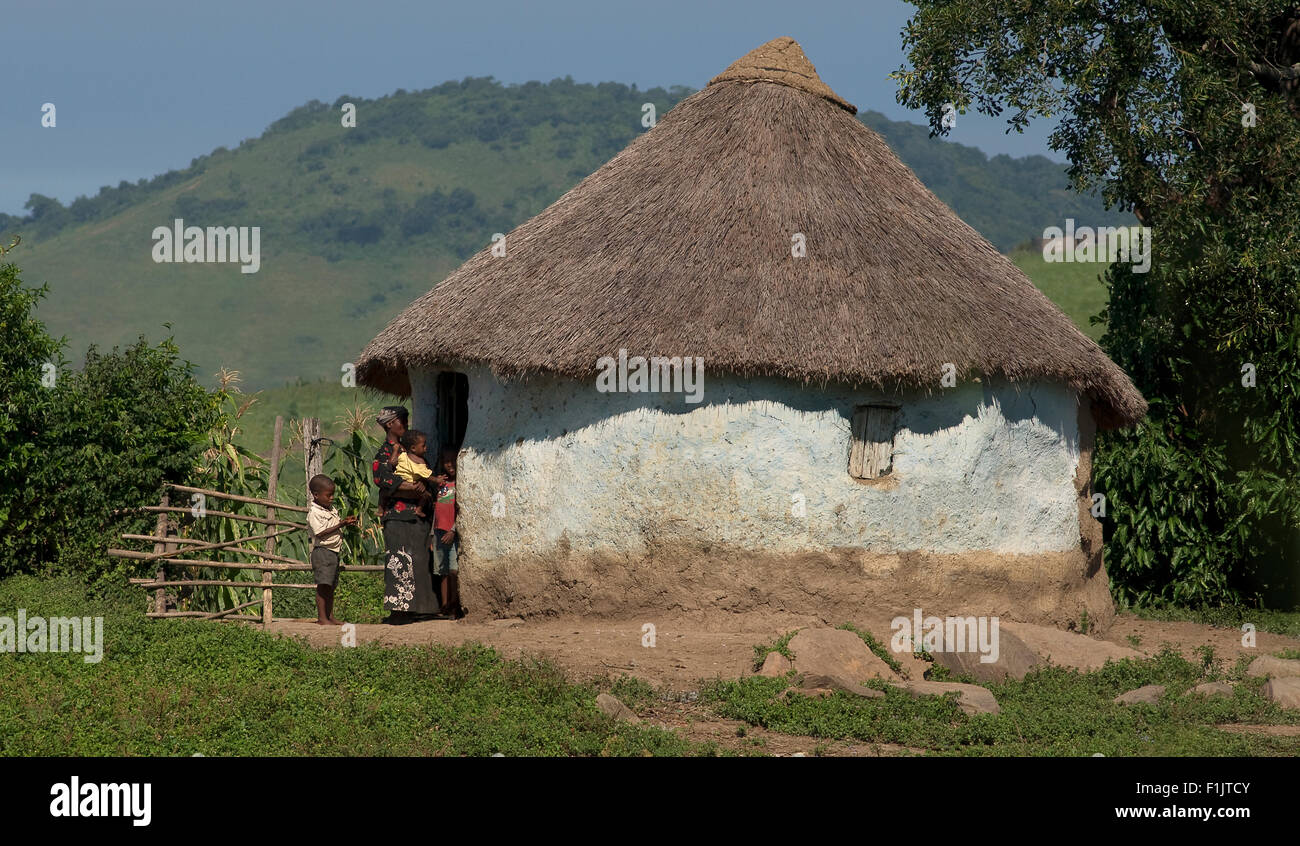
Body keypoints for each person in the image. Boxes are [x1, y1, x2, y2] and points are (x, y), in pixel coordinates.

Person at [372, 406, 440, 623]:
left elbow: (426, 477)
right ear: (390, 424)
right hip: (397, 516)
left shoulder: (413, 450)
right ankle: (399, 611)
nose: (405, 424)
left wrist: (425, 487)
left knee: (421, 560)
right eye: (402, 420)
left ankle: (424, 608)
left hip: (419, 516)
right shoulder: (385, 453)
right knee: (399, 560)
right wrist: (412, 487)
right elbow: (381, 480)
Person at [306, 474, 356, 626]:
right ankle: (322, 618)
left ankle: (330, 616)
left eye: (332, 494)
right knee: (323, 586)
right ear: (316, 495)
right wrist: (341, 525)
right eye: (328, 495)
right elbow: (320, 532)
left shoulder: (330, 509)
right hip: (322, 552)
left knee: (331, 586)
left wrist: (346, 523)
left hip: (332, 552)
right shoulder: (314, 513)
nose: (332, 498)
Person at [430, 447, 465, 619]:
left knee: (453, 571)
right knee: (442, 571)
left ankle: (454, 605)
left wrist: (453, 530)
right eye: (446, 461)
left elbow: (462, 512)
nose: (449, 464)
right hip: (438, 532)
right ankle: (444, 605)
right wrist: (432, 534)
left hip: (452, 533)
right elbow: (437, 511)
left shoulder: (460, 485)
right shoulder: (441, 485)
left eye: (453, 460)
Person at [393, 429, 438, 519]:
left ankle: (380, 509)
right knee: (426, 496)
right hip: (413, 484)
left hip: (400, 483)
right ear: (413, 448)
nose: (426, 448)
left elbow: (393, 462)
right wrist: (437, 479)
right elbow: (427, 476)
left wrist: (395, 450)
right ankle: (419, 509)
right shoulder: (419, 462)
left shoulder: (403, 456)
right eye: (423, 446)